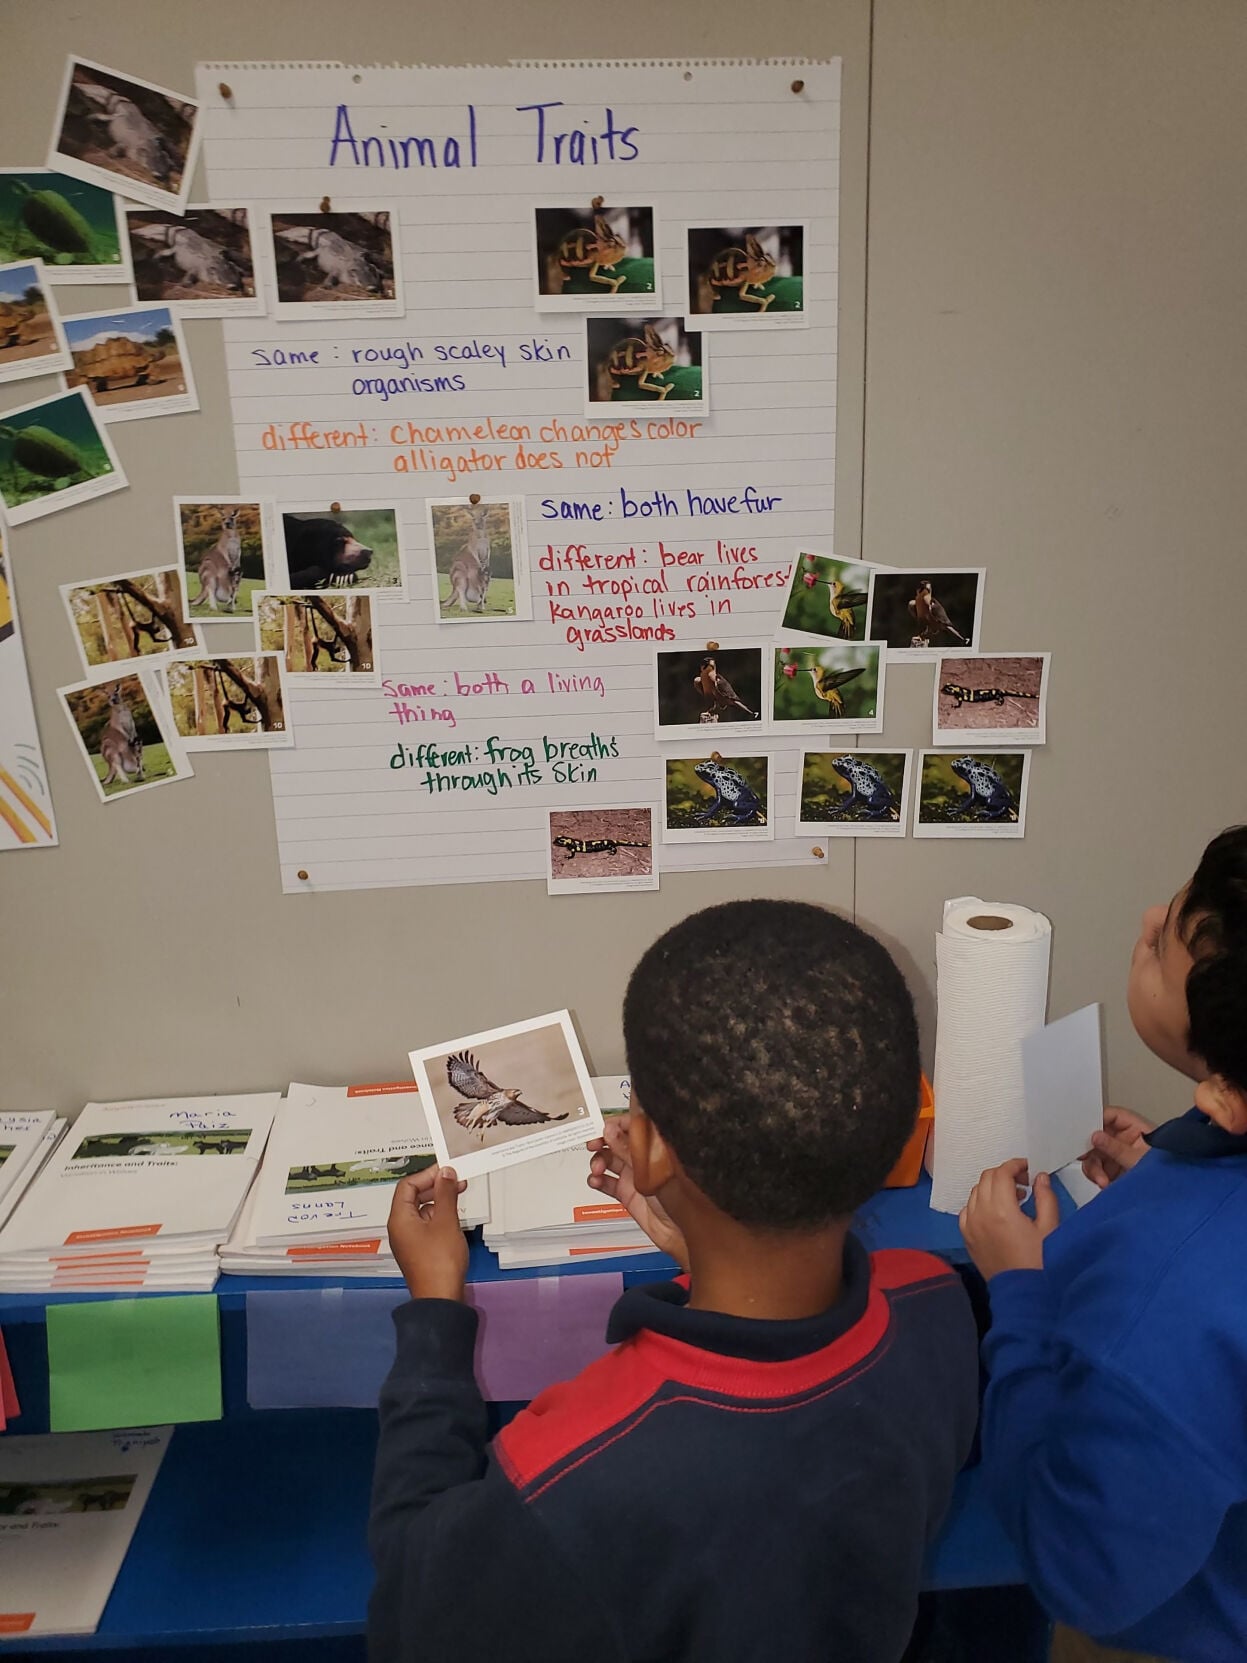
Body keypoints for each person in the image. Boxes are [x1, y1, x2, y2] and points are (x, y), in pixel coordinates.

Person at [369, 899, 979, 1663]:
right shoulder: (934, 1301)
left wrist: (433, 1310)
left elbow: (411, 1606)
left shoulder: (569, 1474)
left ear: (651, 1150)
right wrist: (698, 1251)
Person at [960, 826, 1247, 1663]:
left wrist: (1017, 1289)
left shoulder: (1170, 1316)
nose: (1151, 917)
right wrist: (1164, 1174)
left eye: (1174, 942)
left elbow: (1077, 1569)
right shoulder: (1206, 1160)